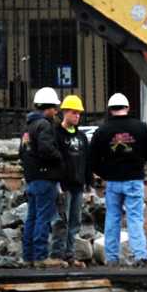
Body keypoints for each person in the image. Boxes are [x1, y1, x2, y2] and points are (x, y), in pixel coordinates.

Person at [88, 92, 147, 265]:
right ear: (127, 108)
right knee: (135, 218)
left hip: (113, 182)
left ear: (110, 109)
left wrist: (106, 173)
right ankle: (141, 256)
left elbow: (92, 160)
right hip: (134, 180)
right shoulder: (140, 127)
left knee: (112, 218)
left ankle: (111, 259)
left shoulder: (102, 130)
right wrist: (140, 159)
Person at [17, 86, 65, 263]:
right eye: (55, 108)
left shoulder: (28, 126)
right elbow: (46, 149)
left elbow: (21, 152)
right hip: (45, 178)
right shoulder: (44, 125)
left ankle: (28, 256)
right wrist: (60, 158)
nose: (56, 112)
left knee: (32, 218)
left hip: (31, 178)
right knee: (43, 219)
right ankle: (40, 256)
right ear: (48, 108)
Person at [49, 94, 91, 263]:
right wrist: (57, 182)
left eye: (79, 113)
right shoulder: (56, 134)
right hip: (64, 185)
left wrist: (89, 182)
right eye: (74, 112)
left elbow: (86, 160)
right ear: (65, 112)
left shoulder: (81, 137)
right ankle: (57, 255)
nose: (77, 116)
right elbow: (54, 159)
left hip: (78, 185)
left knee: (75, 222)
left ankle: (70, 254)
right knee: (61, 222)